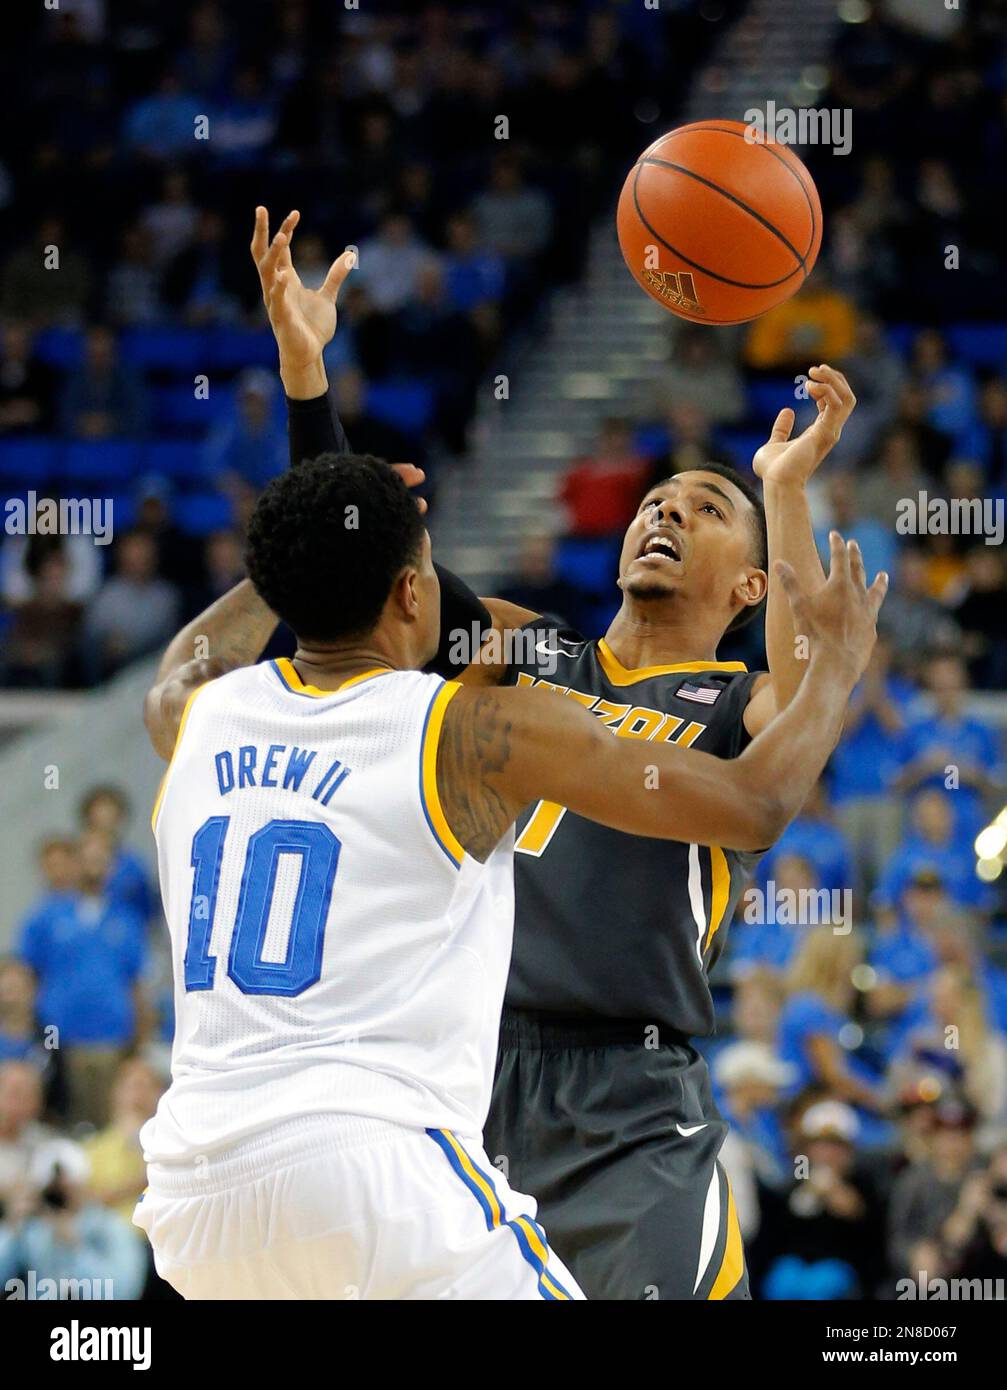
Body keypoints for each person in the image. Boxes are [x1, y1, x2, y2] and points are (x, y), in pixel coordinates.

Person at [130, 211, 885, 1304]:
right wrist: (309, 381)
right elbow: (349, 565)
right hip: (471, 1072)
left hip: (631, 1095)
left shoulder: (731, 700)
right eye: (653, 500)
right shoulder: (526, 650)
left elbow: (803, 692)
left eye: (702, 508)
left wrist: (779, 486)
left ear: (747, 587)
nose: (663, 512)